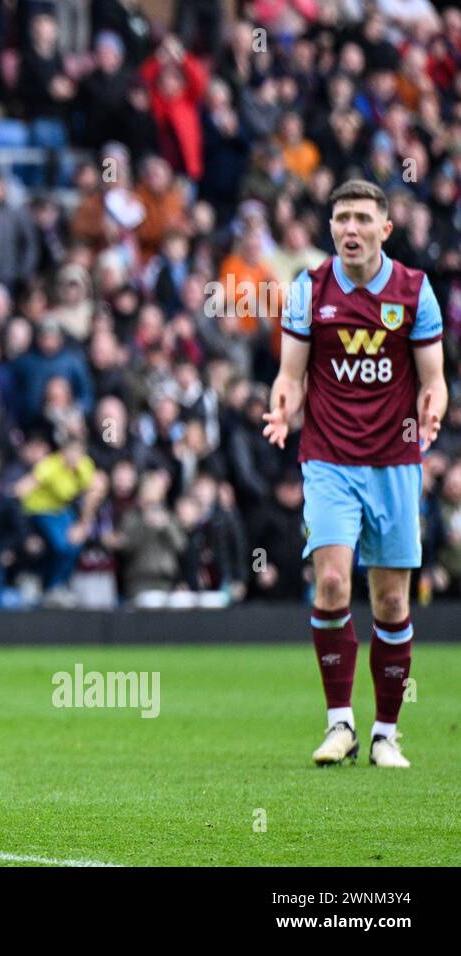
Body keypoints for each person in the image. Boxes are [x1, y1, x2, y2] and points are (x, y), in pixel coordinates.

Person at [264, 179, 446, 769]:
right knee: (335, 584)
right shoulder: (307, 290)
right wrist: (283, 407)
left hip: (394, 461)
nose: (350, 228)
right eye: (341, 218)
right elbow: (291, 375)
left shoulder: (415, 291)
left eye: (363, 219)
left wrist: (432, 406)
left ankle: (386, 732)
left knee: (391, 600)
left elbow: (433, 378)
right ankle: (339, 722)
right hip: (328, 459)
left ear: (385, 229)